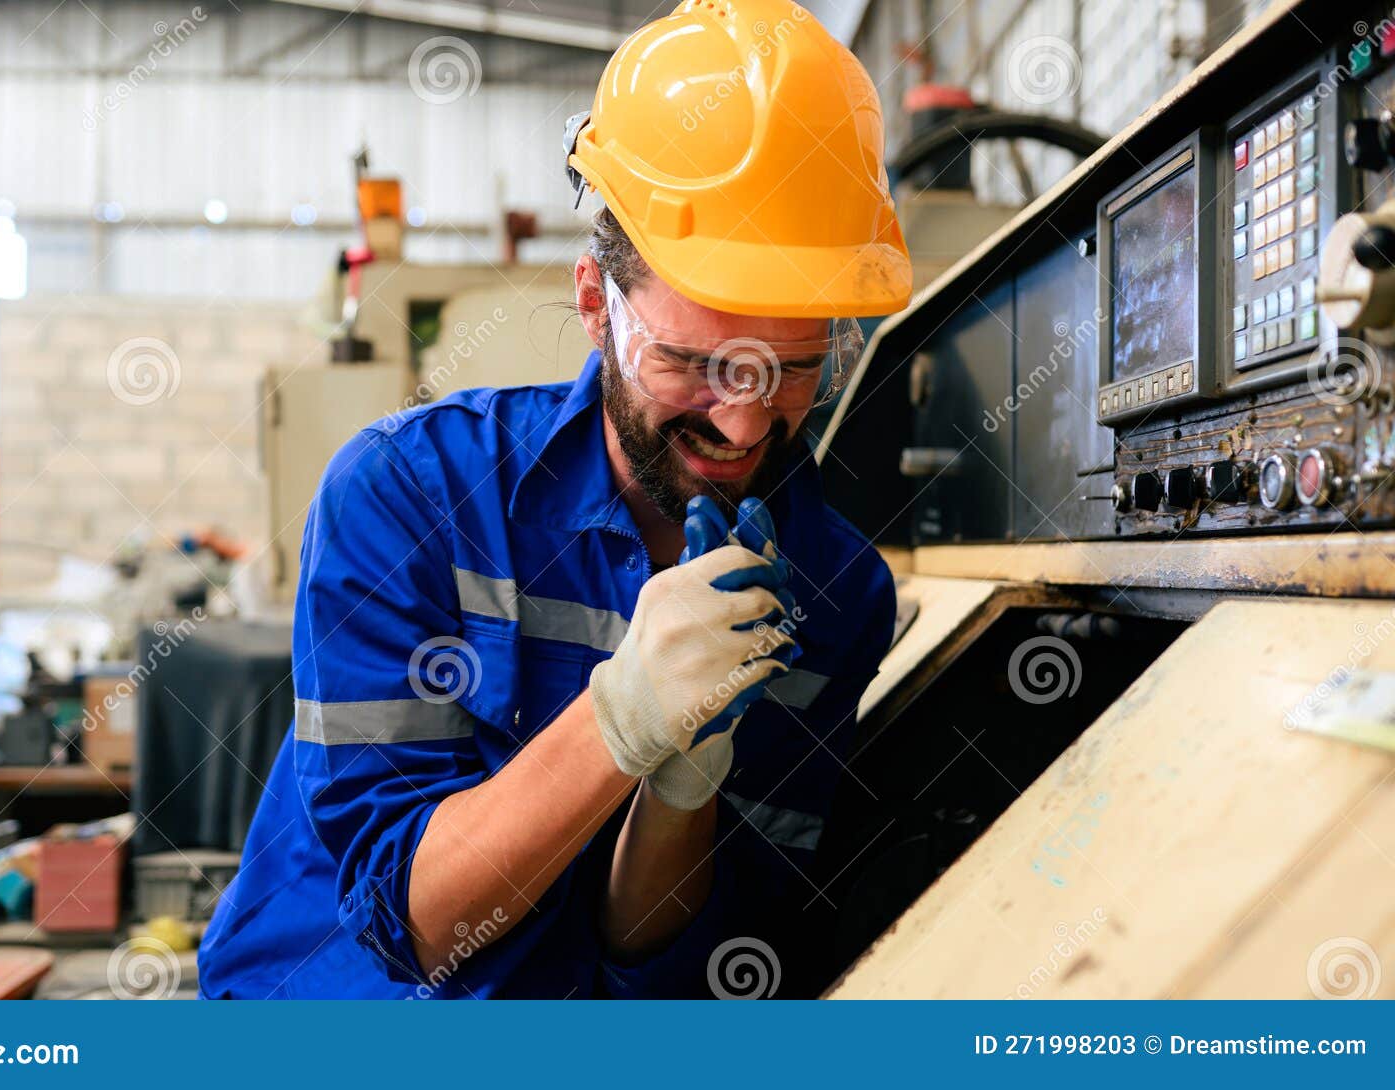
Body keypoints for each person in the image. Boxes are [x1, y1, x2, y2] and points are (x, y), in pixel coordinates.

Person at [199, 0, 911, 999]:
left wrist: (680, 791)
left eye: (792, 368)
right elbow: (411, 927)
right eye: (694, 363)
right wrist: (617, 721)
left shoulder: (834, 592)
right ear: (594, 305)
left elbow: (660, 965)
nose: (745, 425)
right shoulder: (410, 497)